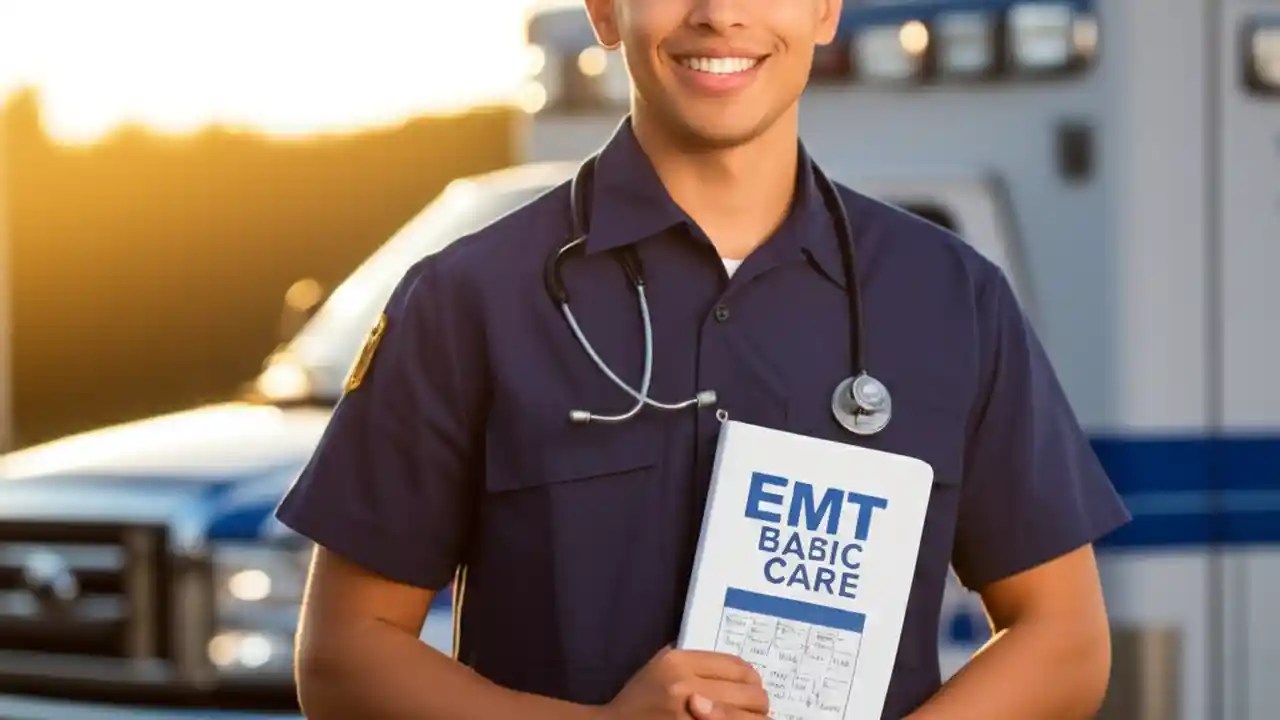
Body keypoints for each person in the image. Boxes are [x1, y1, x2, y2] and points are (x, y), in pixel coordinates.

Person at [275, 1, 1131, 718]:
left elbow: (1062, 636)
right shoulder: (467, 300)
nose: (720, 13)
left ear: (825, 8)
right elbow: (346, 658)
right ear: (604, 10)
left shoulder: (951, 297)